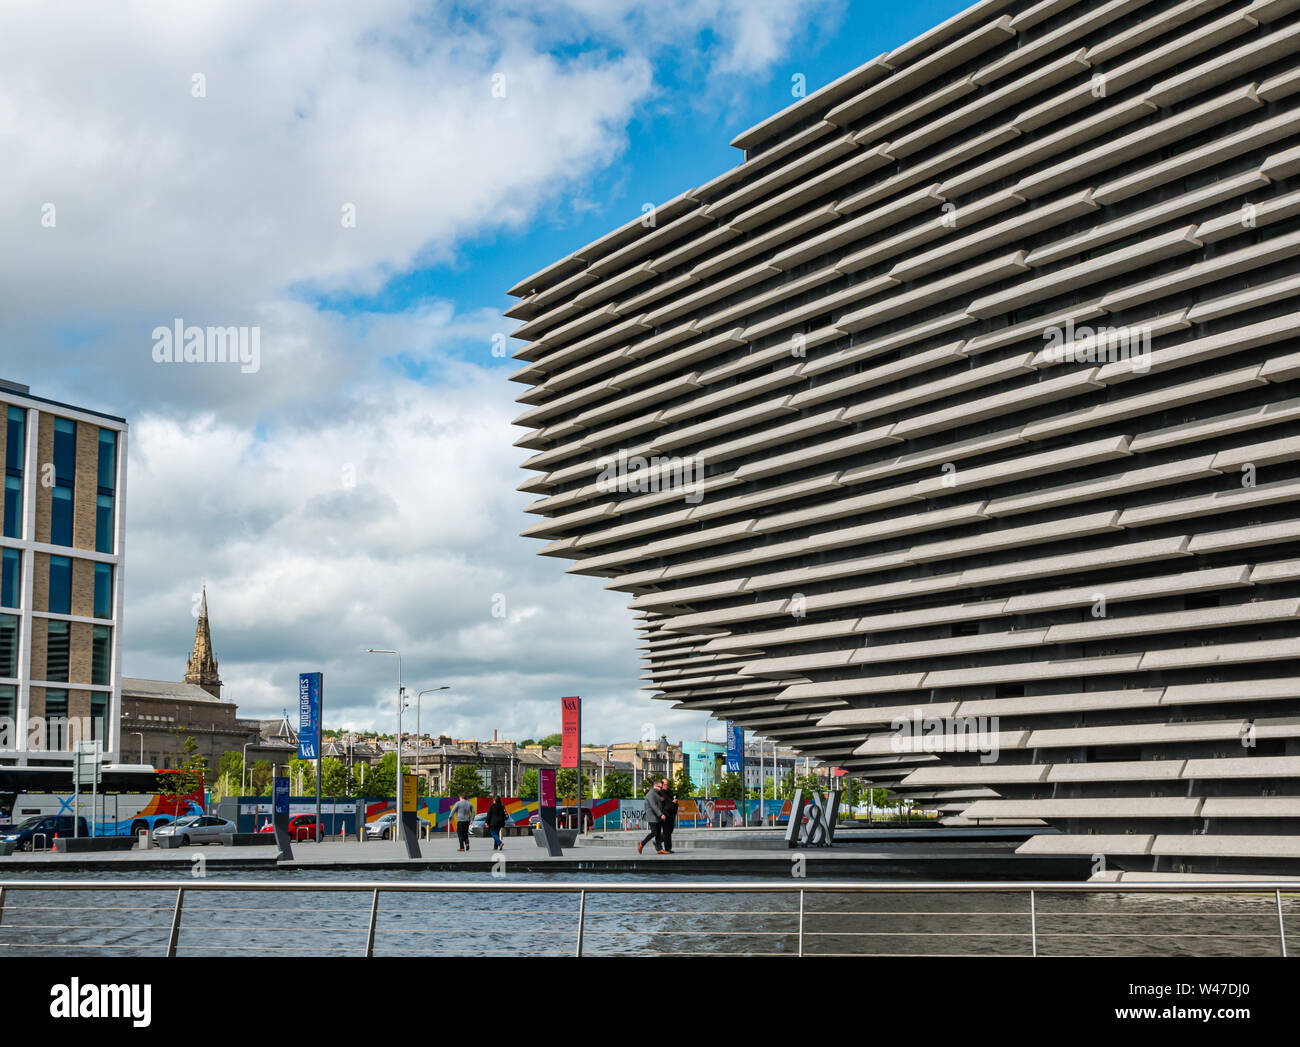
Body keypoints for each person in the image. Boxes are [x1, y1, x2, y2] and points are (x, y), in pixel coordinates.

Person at [638, 779, 667, 855]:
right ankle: (642, 843)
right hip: (652, 816)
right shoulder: (651, 794)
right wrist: (660, 814)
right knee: (654, 832)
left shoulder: (657, 793)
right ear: (655, 786)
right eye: (660, 787)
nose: (661, 789)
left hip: (657, 816)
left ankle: (659, 849)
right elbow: (653, 806)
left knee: (658, 833)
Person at [660, 786, 679, 854]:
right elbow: (665, 804)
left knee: (670, 830)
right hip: (665, 814)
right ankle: (667, 848)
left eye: (667, 784)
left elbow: (674, 799)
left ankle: (659, 840)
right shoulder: (661, 793)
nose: (666, 785)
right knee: (666, 831)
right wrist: (672, 802)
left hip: (671, 814)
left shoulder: (670, 792)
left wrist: (675, 802)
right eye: (665, 784)